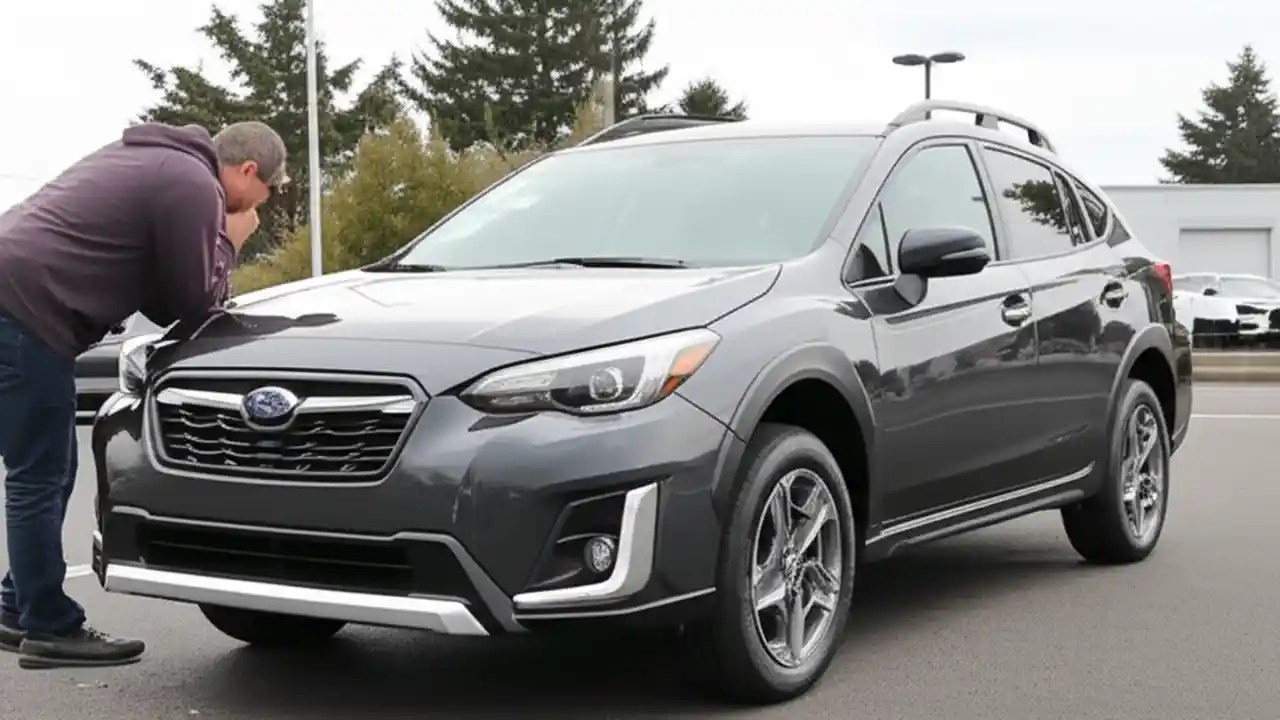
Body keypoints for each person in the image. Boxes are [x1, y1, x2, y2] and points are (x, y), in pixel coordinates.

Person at [0, 119, 287, 668]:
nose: (260, 204)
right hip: (23, 311)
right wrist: (233, 238)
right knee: (38, 472)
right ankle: (48, 626)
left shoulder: (160, 165)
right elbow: (197, 302)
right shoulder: (193, 183)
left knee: (52, 468)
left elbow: (165, 295)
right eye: (266, 194)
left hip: (17, 302)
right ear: (249, 172)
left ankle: (19, 605)